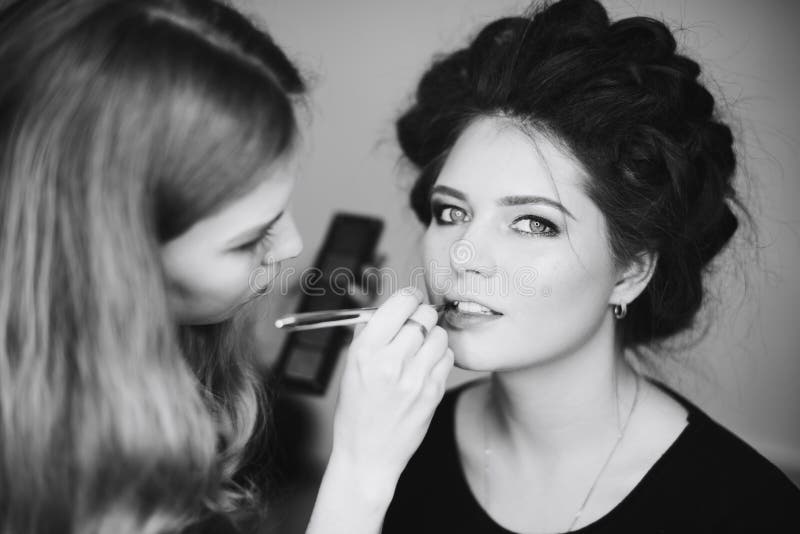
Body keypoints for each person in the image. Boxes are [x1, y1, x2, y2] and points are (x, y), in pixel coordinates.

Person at [0, 0, 453, 532]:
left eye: (281, 210)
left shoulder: (180, 381)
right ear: (118, 263)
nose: (291, 244)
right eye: (247, 239)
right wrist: (361, 471)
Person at [382, 0, 800, 532]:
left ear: (630, 272)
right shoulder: (394, 448)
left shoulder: (748, 507)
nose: (463, 255)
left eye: (534, 223)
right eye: (451, 212)